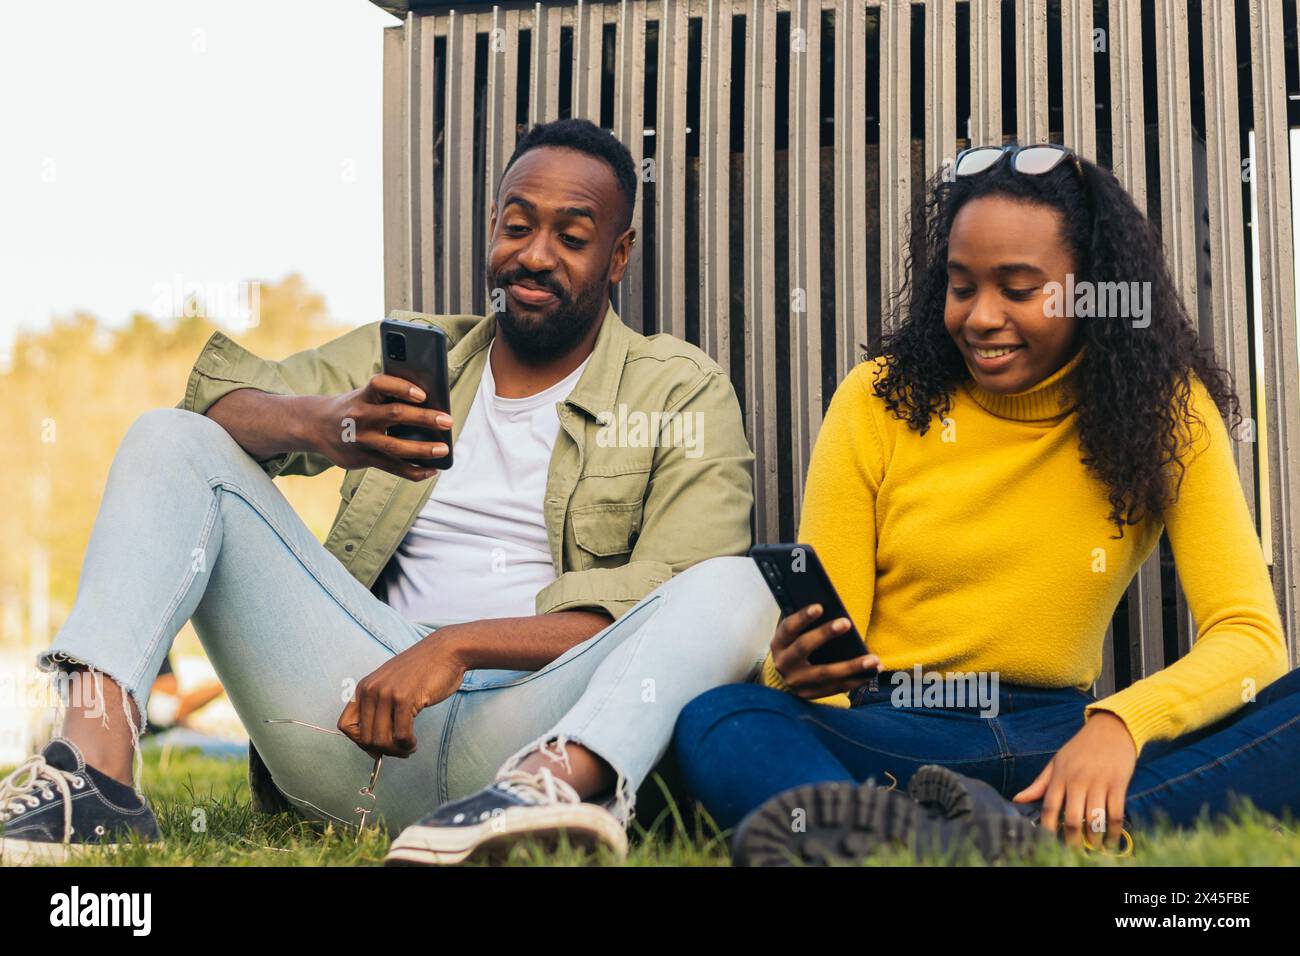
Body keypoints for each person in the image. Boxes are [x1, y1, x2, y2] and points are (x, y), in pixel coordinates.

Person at [0, 118, 768, 866]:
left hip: (542, 718)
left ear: (618, 254)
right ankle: (93, 780)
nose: (534, 256)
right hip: (359, 717)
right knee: (166, 438)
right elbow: (216, 405)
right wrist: (328, 425)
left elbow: (668, 602)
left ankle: (537, 799)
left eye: (570, 237)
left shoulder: (679, 392)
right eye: (515, 226)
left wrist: (458, 645)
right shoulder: (408, 357)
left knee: (739, 585)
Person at [672, 144, 1299, 865]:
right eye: (962, 286)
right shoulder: (877, 400)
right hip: (898, 729)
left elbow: (1251, 638)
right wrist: (797, 671)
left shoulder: (1166, 411)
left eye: (1019, 289)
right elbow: (824, 661)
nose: (980, 317)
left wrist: (1122, 725)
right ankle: (1014, 839)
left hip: (1060, 739)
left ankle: (947, 839)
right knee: (725, 717)